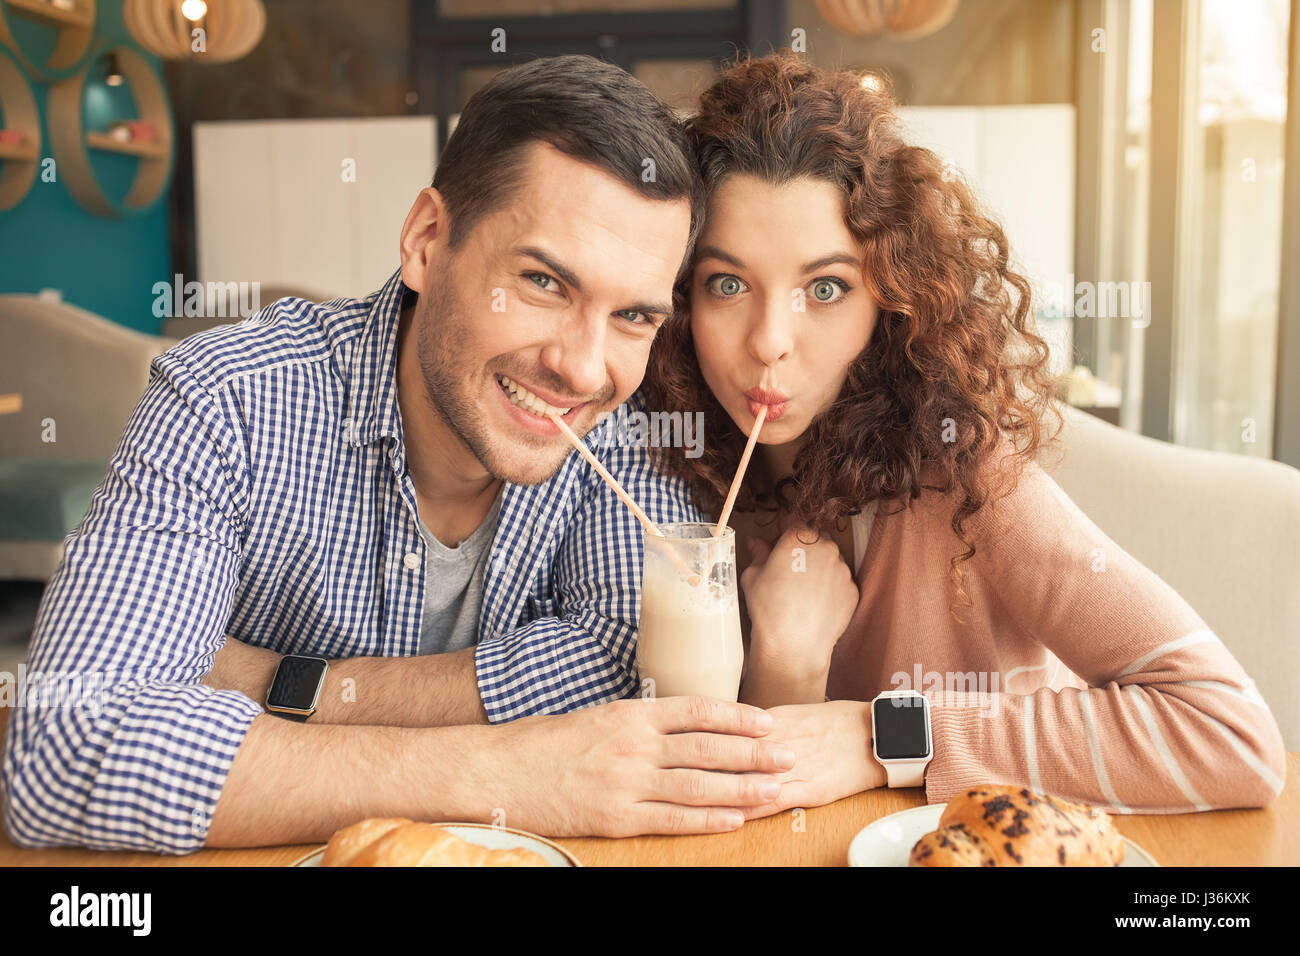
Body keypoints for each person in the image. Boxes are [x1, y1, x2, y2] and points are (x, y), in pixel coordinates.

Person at [1, 55, 796, 854]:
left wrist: (274, 682)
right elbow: (66, 750)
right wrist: (509, 774)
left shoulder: (626, 419)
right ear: (425, 240)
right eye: (544, 283)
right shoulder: (226, 401)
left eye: (632, 316)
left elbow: (623, 662)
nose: (585, 370)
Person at [642, 52, 1287, 817]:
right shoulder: (663, 480)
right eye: (729, 284)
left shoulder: (966, 476)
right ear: (678, 295)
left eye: (826, 288)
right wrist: (786, 664)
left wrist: (880, 737)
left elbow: (1231, 733)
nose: (770, 341)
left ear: (891, 301)